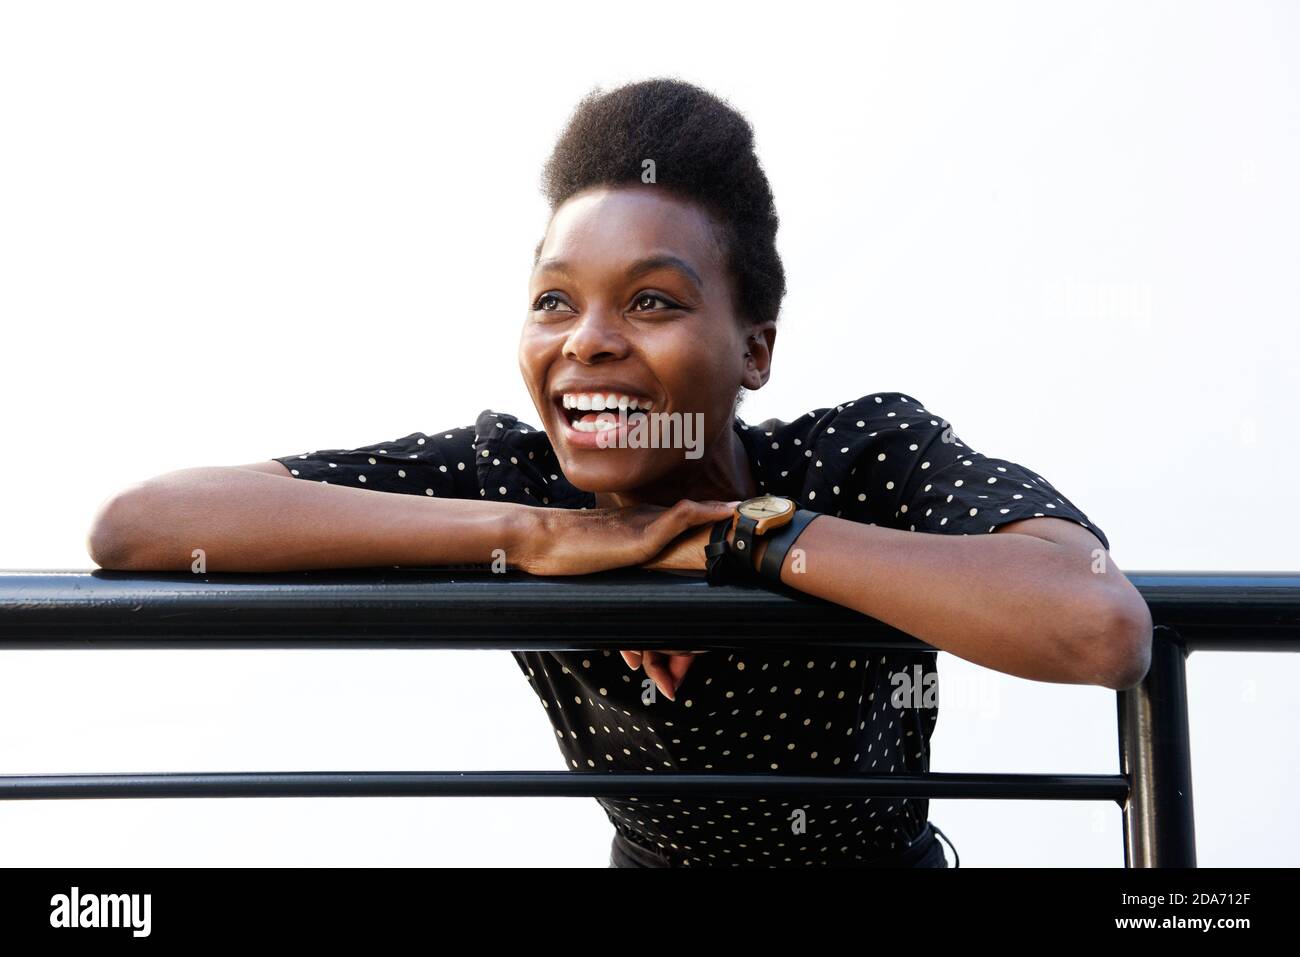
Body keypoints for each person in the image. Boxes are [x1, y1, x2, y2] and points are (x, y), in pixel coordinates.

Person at [87, 77, 1152, 868]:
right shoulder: (514, 480)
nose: (586, 340)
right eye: (555, 300)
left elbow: (1097, 627)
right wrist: (537, 540)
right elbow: (141, 526)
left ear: (753, 351)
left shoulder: (862, 454)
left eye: (651, 301)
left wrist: (748, 539)